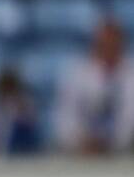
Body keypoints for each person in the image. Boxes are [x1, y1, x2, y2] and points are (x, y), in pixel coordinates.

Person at [53, 19, 134, 154]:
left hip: (124, 154)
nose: (109, 49)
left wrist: (111, 142)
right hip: (81, 153)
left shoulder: (131, 73)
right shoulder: (77, 73)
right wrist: (81, 140)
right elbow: (65, 117)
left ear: (121, 45)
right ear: (96, 45)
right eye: (104, 45)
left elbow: (130, 117)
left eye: (113, 44)